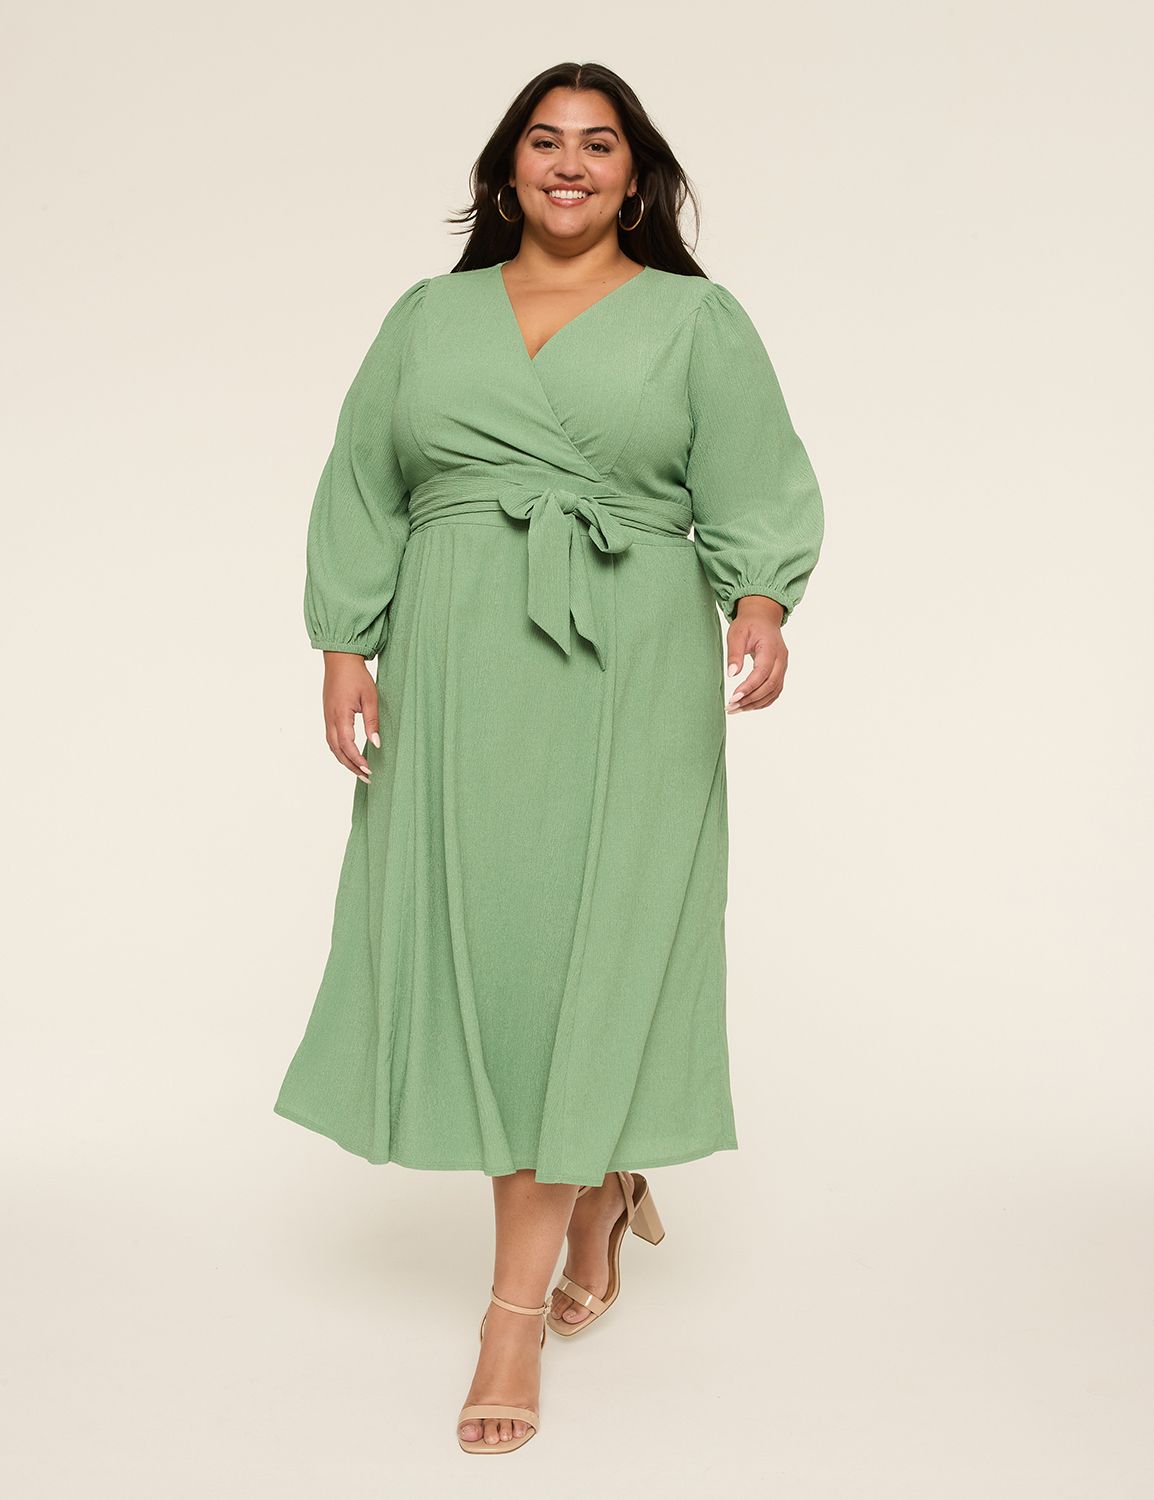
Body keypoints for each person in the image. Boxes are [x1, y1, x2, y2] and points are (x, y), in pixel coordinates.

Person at [272, 60, 825, 1455]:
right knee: (506, 962)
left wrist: (759, 598)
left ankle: (508, 1317)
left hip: (630, 659)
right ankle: (601, 1186)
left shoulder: (694, 320)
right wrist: (345, 641)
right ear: (506, 169)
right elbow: (361, 480)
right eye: (544, 140)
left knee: (604, 944)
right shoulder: (428, 316)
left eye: (599, 143)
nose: (569, 162)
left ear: (635, 178)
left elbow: (754, 477)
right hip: (460, 660)